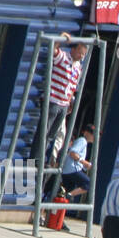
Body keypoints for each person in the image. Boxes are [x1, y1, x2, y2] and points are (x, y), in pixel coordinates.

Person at [42, 36, 87, 165]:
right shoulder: (63, 57)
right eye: (79, 53)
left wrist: (70, 102)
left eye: (83, 55)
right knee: (44, 132)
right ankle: (36, 159)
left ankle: (44, 156)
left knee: (52, 135)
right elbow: (53, 50)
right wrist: (61, 38)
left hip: (64, 105)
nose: (80, 56)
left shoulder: (78, 67)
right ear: (73, 50)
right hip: (53, 100)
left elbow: (73, 86)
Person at [59, 124, 94, 213]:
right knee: (88, 183)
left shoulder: (84, 143)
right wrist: (84, 162)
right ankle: (69, 195)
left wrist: (84, 165)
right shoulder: (82, 140)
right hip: (72, 170)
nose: (94, 136)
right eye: (92, 133)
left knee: (62, 196)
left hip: (69, 170)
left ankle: (59, 217)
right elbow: (73, 153)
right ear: (86, 133)